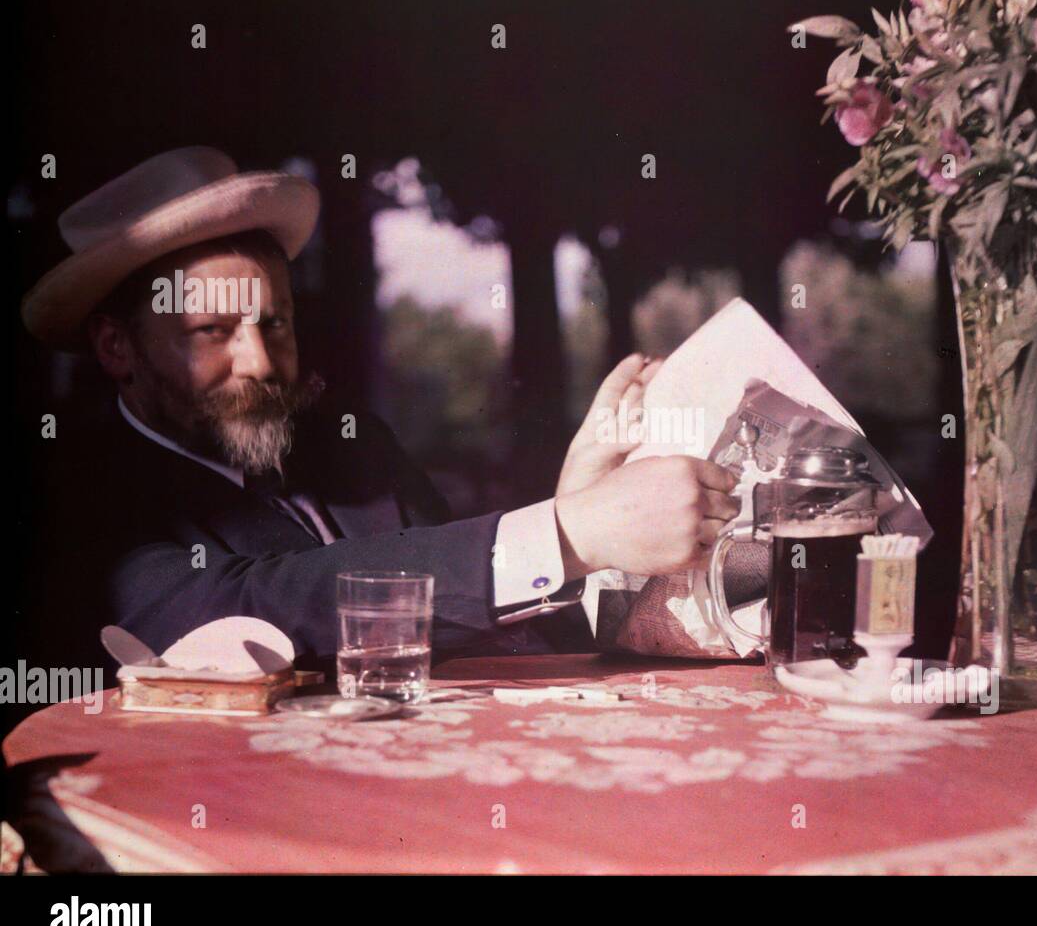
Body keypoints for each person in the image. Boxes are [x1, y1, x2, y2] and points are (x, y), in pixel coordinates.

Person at [19, 147, 740, 671]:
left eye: (275, 324)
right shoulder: (75, 493)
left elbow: (462, 606)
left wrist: (576, 515)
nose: (262, 362)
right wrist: (567, 531)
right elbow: (248, 610)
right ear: (116, 347)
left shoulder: (348, 443)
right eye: (213, 333)